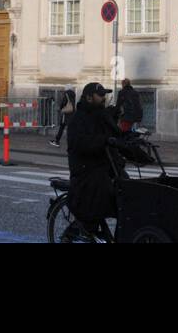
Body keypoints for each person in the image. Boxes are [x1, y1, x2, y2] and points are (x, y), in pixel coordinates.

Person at [64, 82, 120, 240]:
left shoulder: (101, 115)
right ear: (88, 97)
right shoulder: (78, 119)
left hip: (104, 167)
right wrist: (105, 140)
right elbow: (81, 144)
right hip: (86, 171)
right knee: (97, 199)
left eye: (105, 95)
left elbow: (116, 135)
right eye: (100, 95)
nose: (104, 98)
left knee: (127, 195)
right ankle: (79, 229)